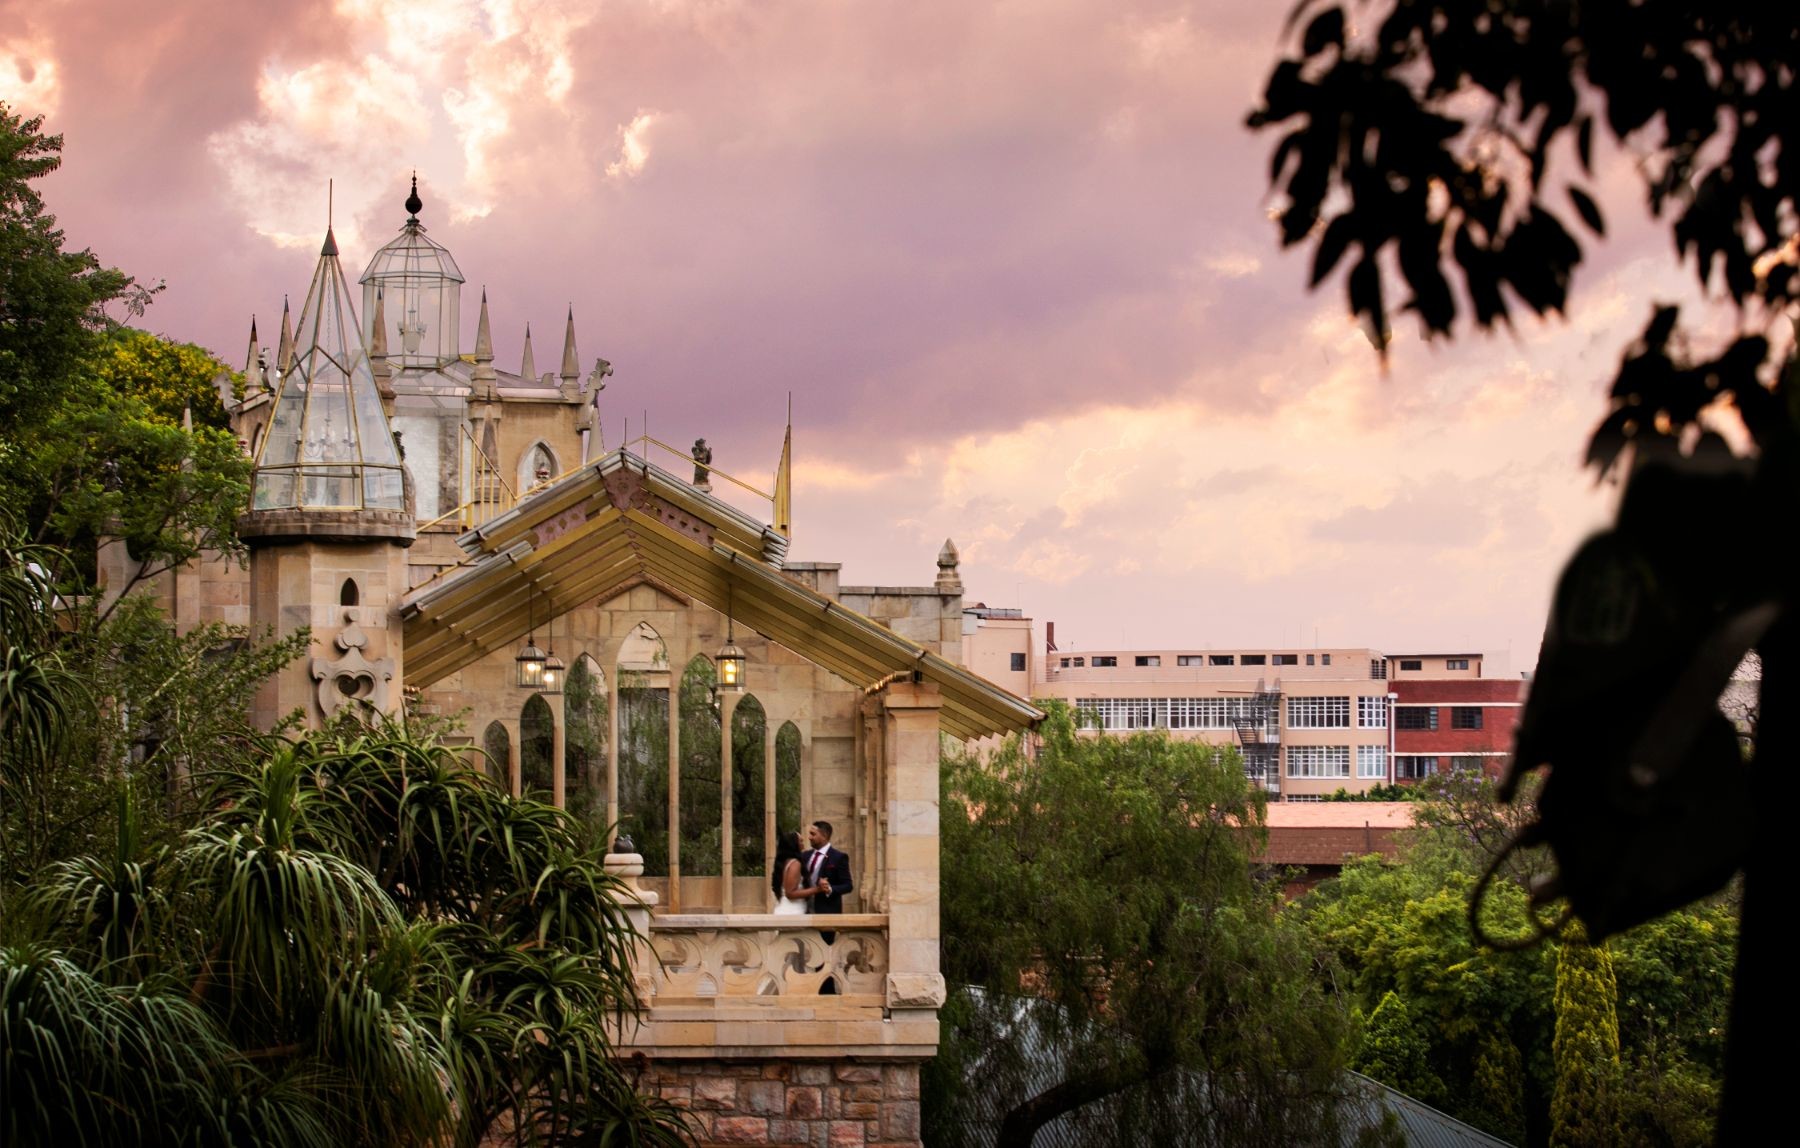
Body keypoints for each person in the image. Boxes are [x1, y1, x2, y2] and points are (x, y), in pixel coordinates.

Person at [771, 830, 810, 916]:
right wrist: (816, 889)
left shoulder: (783, 863)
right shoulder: (795, 864)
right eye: (801, 841)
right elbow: (790, 893)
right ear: (793, 844)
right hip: (793, 912)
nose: (803, 844)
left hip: (783, 908)